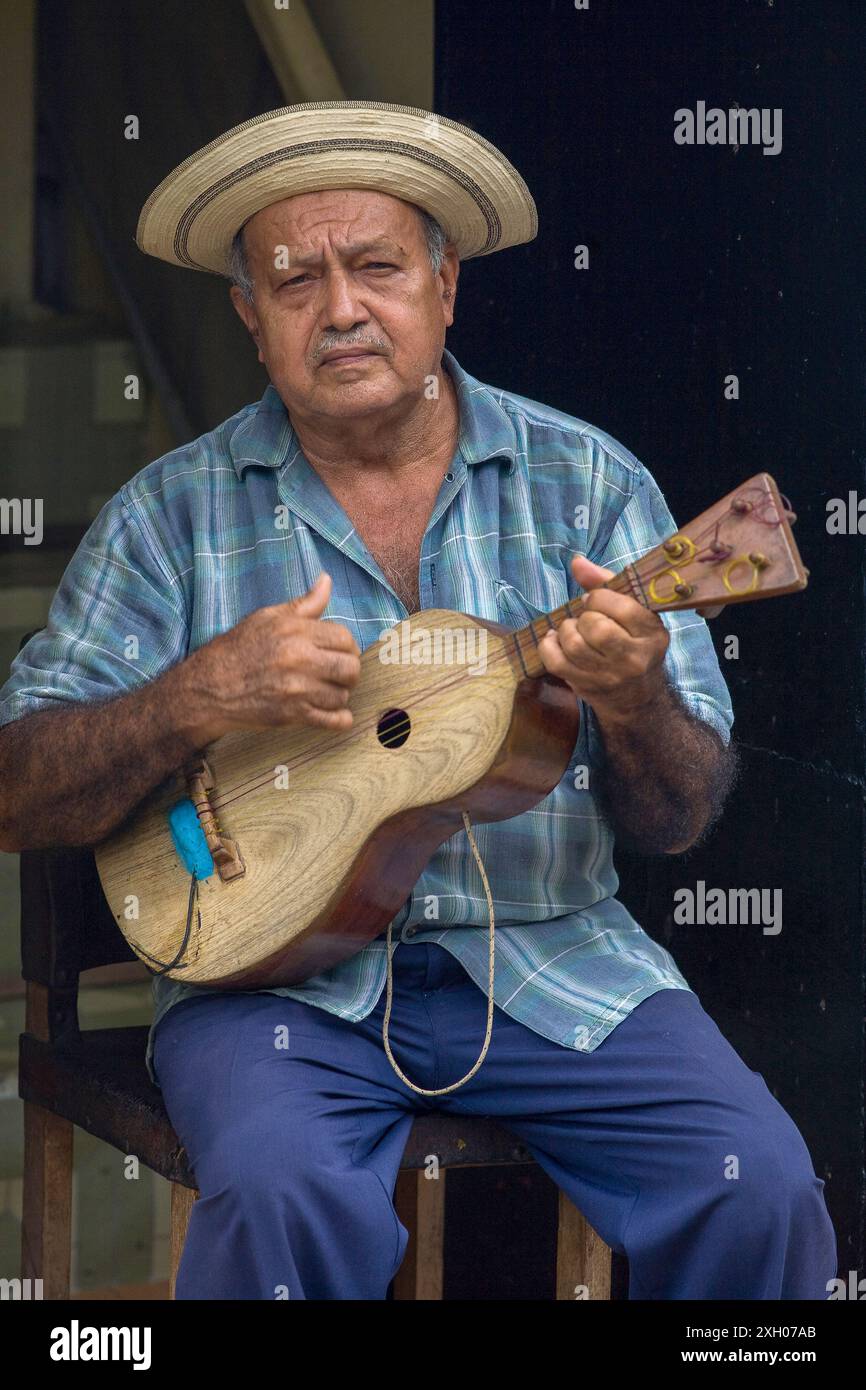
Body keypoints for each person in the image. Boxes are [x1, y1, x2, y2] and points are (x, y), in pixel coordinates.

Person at [0, 102, 836, 1300]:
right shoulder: (166, 517)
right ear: (250, 318)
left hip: (552, 960)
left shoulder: (588, 482)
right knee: (279, 1197)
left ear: (444, 289)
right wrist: (193, 696)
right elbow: (17, 791)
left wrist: (635, 695)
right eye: (295, 280)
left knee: (756, 1187)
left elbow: (679, 815)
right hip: (273, 993)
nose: (340, 309)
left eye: (378, 267)